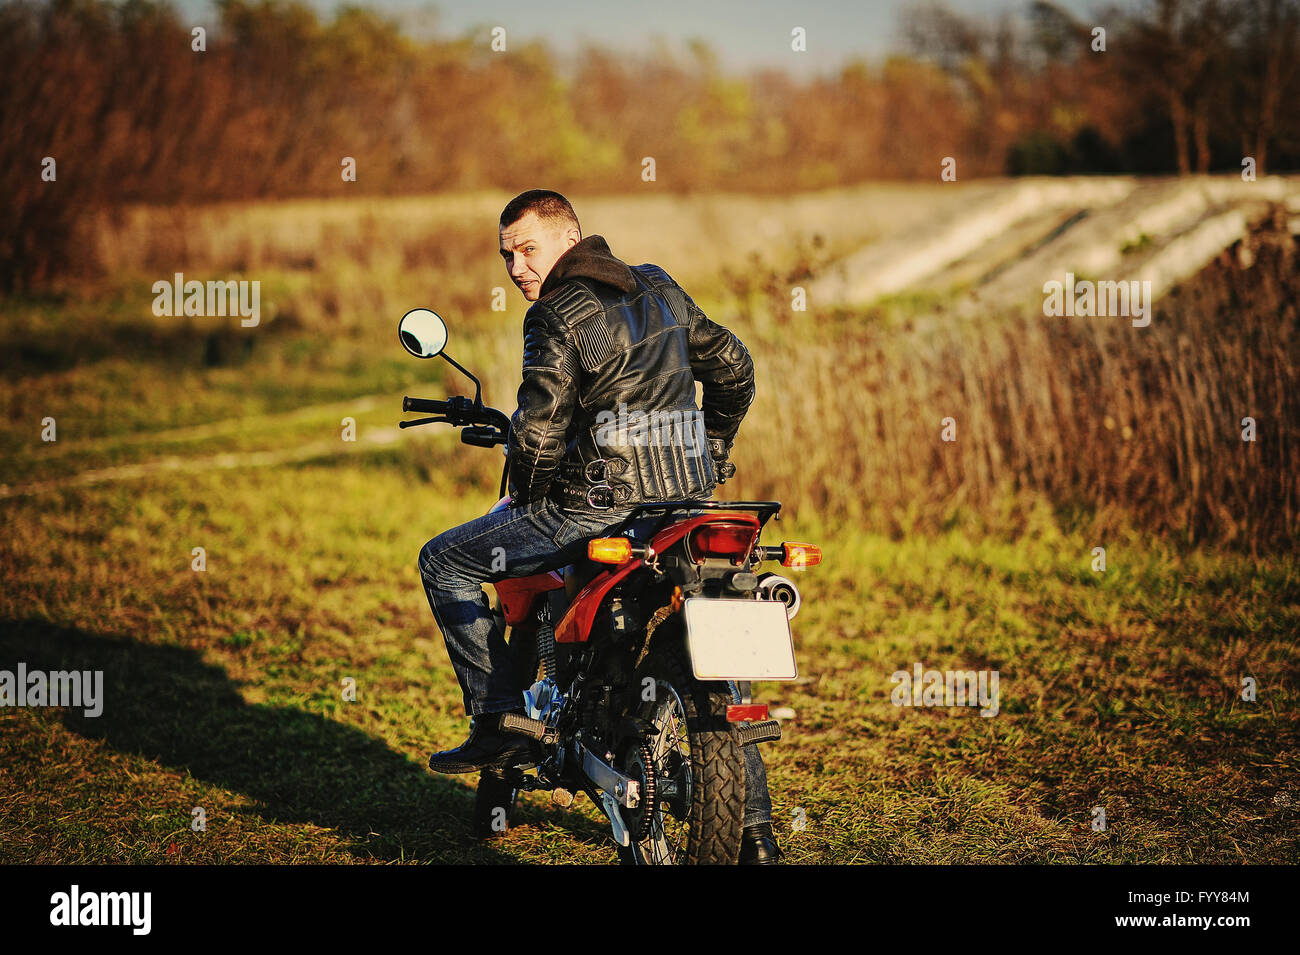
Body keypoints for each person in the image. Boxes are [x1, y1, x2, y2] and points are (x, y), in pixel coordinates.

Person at [418, 189, 781, 863]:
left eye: (527, 249)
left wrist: (528, 499)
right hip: (686, 506)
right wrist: (714, 448)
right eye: (506, 255)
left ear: (567, 239)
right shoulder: (661, 288)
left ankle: (500, 718)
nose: (517, 267)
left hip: (599, 507)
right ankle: (756, 834)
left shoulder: (555, 313)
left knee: (444, 560)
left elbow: (537, 438)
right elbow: (734, 368)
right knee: (723, 660)